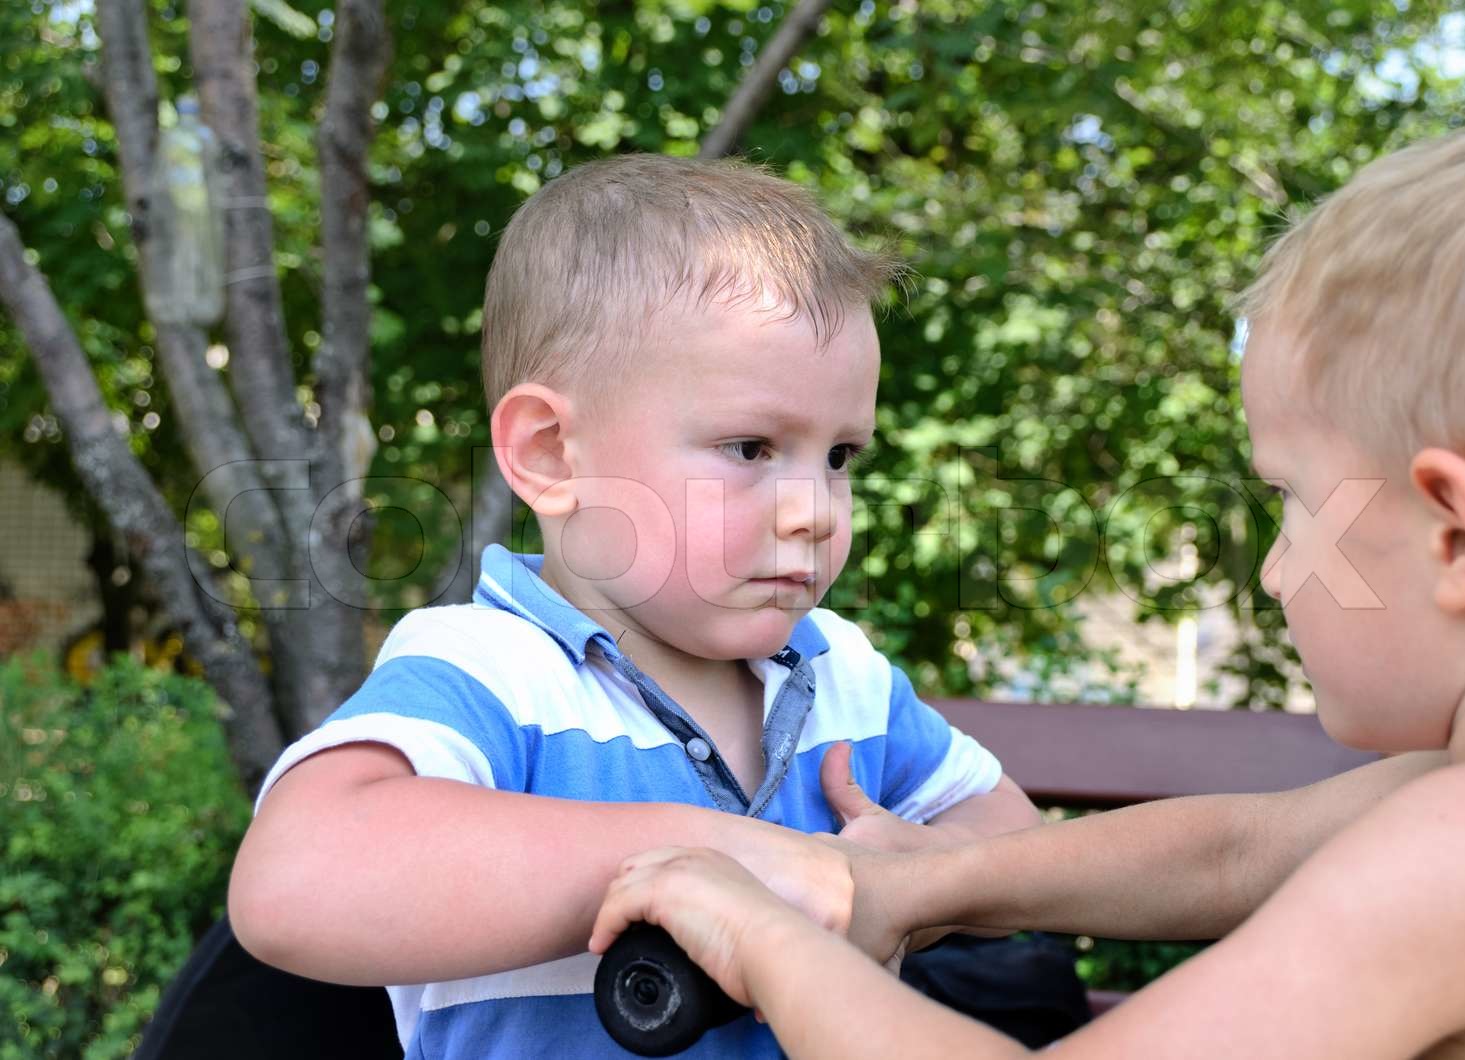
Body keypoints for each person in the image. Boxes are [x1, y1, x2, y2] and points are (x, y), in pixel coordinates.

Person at [589, 108, 1465, 1058]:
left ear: (1457, 538)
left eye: (1292, 500)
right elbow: (1237, 850)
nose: (1276, 568)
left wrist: (766, 943)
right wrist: (921, 882)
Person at [225, 155, 1041, 1058]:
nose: (816, 509)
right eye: (750, 448)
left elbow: (1007, 830)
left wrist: (891, 884)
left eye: (840, 456)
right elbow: (293, 881)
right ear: (551, 454)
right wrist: (718, 855)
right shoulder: (495, 672)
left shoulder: (837, 673)